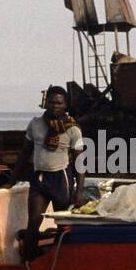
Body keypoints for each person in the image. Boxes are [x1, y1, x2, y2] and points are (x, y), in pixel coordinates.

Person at [16, 86, 85, 260]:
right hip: (39, 178)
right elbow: (25, 153)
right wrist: (11, 181)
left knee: (62, 224)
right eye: (52, 102)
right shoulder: (35, 124)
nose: (55, 106)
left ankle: (63, 260)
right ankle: (29, 261)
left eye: (59, 103)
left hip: (61, 179)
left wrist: (79, 191)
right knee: (33, 222)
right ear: (46, 103)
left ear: (65, 105)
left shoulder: (72, 129)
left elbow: (79, 161)